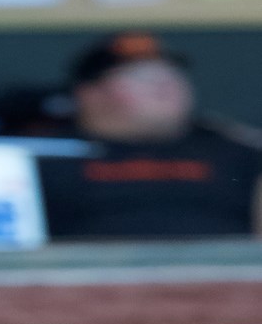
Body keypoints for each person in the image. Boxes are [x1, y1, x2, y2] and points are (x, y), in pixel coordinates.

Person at [36, 31, 262, 239]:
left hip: (225, 276)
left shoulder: (237, 149)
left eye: (172, 74)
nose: (164, 85)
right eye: (140, 77)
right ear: (89, 93)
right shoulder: (44, 156)